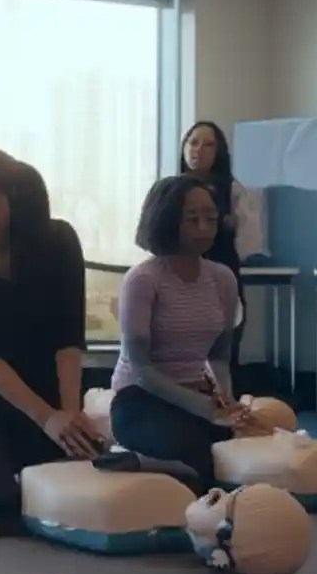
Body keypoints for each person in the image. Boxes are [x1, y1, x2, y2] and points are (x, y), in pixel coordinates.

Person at [0, 150, 101, 534]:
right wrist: (47, 419)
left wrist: (69, 414)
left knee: (72, 471)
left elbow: (68, 338)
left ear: (15, 197)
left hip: (41, 386)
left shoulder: (59, 241)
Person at [109, 175, 259, 494]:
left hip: (196, 391)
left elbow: (219, 356)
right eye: (192, 219)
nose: (204, 228)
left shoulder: (222, 279)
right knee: (196, 454)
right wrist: (205, 409)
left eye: (211, 219)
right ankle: (135, 460)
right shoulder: (143, 279)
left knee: (243, 442)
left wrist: (226, 401)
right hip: (140, 399)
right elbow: (142, 369)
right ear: (166, 220)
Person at [178, 121, 253, 369]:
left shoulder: (232, 191)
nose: (199, 149)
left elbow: (249, 241)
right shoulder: (169, 190)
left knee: (223, 352)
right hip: (179, 278)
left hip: (220, 276)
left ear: (219, 152)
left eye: (208, 144)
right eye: (193, 142)